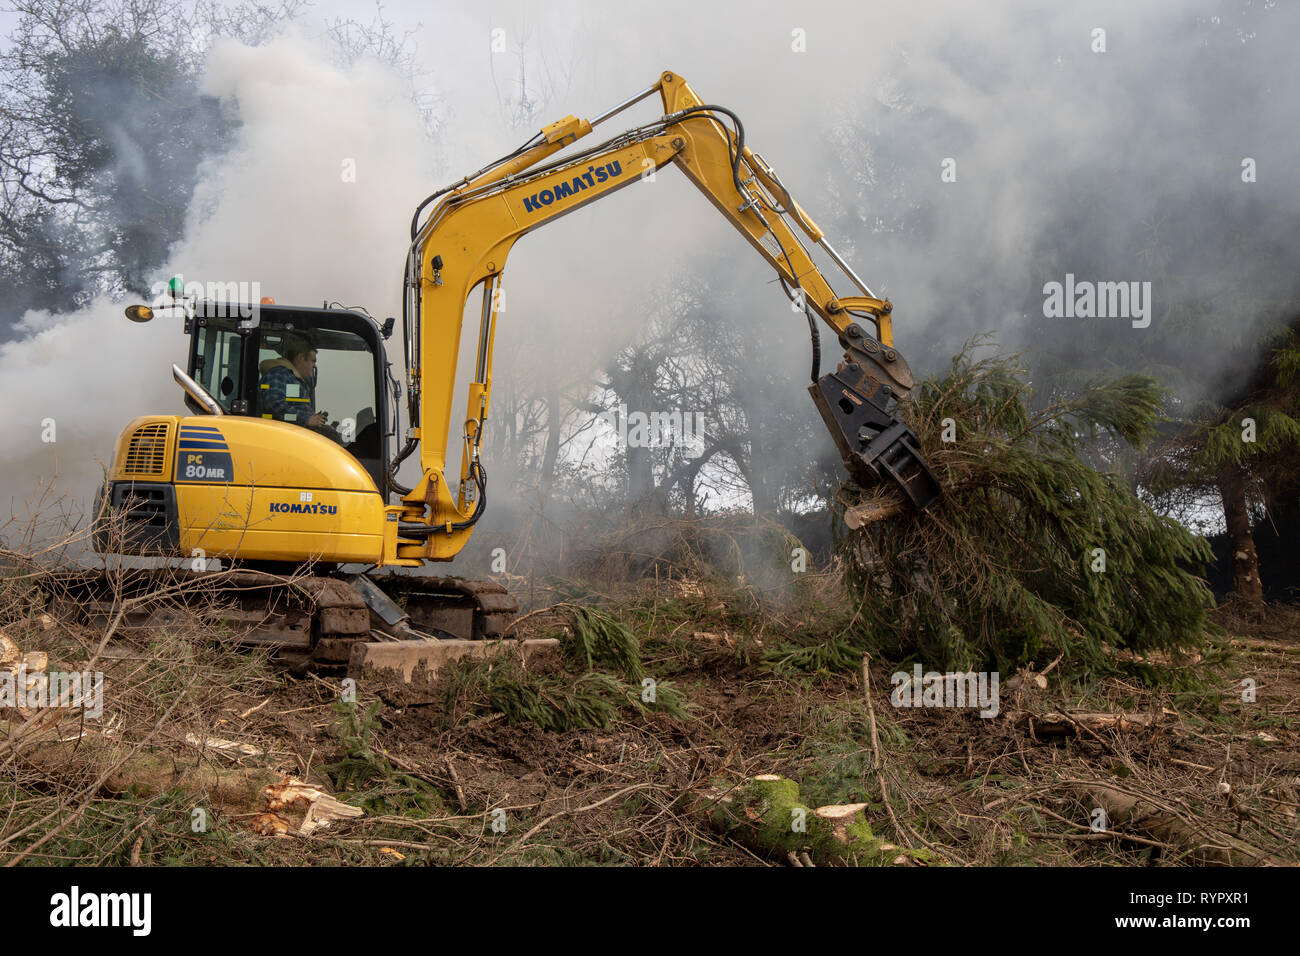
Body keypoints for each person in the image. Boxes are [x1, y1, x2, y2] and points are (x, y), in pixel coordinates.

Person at [259, 333, 328, 429]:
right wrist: (306, 419)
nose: (314, 366)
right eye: (312, 361)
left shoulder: (293, 379)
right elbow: (273, 402)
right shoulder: (279, 374)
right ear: (300, 358)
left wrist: (314, 418)